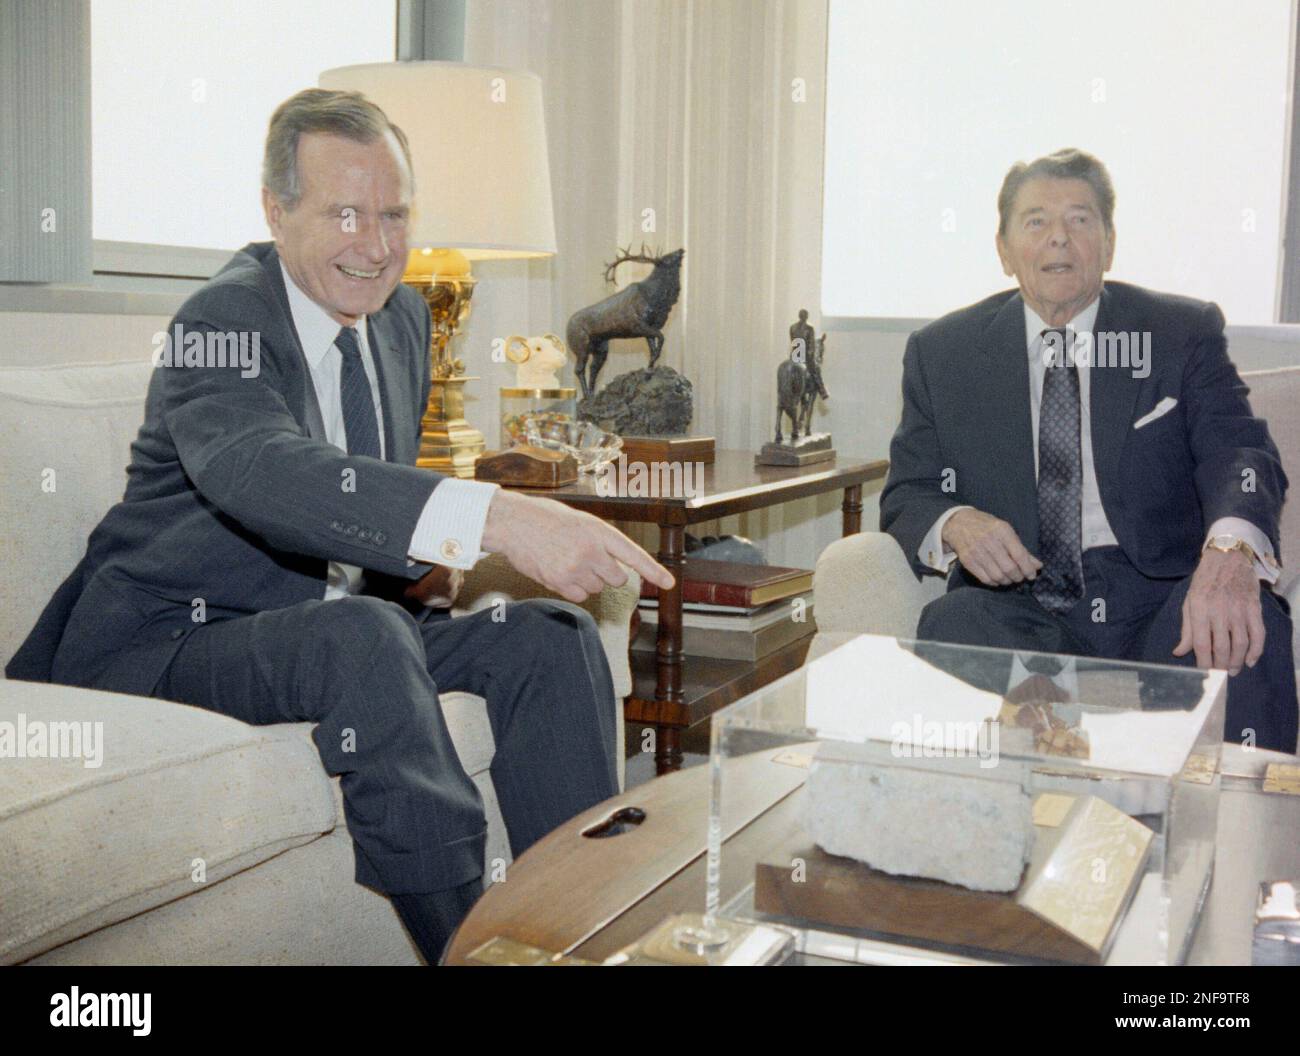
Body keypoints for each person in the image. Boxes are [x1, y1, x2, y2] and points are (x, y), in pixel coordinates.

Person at [5, 88, 674, 963]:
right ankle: (473, 952)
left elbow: (364, 511)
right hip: (166, 641)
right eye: (346, 213)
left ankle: (586, 932)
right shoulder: (223, 321)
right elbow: (262, 471)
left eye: (394, 213)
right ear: (275, 212)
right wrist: (496, 517)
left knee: (545, 635)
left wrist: (430, 569)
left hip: (317, 631)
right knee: (358, 635)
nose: (379, 244)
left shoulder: (400, 316)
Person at [880, 147, 1295, 752]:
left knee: (1241, 621)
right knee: (952, 624)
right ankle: (1011, 825)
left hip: (1161, 598)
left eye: (1079, 219)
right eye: (1036, 221)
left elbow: (1239, 453)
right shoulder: (944, 353)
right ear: (1003, 249)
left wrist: (1231, 552)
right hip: (1022, 603)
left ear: (1108, 241)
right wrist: (957, 522)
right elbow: (909, 490)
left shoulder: (1179, 331)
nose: (1059, 240)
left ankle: (1242, 834)